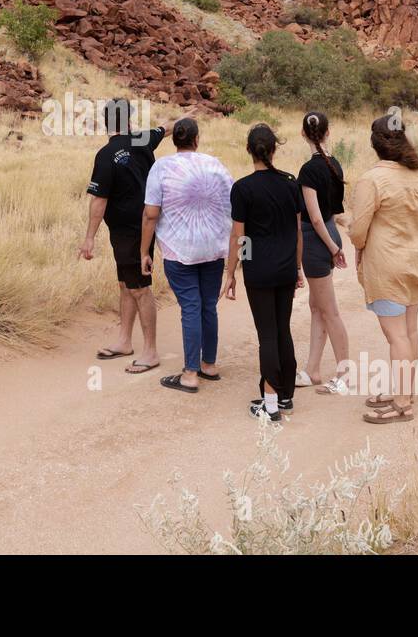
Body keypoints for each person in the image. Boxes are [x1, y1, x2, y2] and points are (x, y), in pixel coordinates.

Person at [348, 115, 418, 424]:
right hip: (416, 261)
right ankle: (406, 392)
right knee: (410, 331)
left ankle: (402, 403)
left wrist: (357, 248)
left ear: (375, 143)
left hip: (387, 265)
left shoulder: (372, 179)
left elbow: (358, 230)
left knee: (396, 337)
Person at [139, 118, 234, 394]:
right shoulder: (215, 164)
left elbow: (151, 213)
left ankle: (190, 373)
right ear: (196, 138)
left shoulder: (162, 167)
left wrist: (144, 250)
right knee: (208, 306)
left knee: (190, 307)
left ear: (174, 140)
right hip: (213, 246)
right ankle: (209, 364)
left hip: (179, 249)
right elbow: (233, 202)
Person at [223, 124, 304, 421]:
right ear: (274, 149)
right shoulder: (290, 183)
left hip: (258, 269)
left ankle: (269, 405)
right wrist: (298, 268)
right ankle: (285, 396)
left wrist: (232, 272)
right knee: (283, 329)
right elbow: (297, 233)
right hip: (284, 268)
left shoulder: (243, 188)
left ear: (249, 150)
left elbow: (240, 239)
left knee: (267, 334)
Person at [79, 99, 167, 374]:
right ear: (129, 119)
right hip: (138, 227)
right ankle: (124, 341)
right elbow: (167, 129)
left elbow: (99, 201)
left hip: (131, 231)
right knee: (125, 284)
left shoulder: (106, 154)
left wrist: (89, 238)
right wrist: (185, 120)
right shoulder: (143, 139)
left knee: (140, 287)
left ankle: (150, 352)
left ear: (107, 122)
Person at [294, 111, 352, 395]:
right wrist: (335, 243)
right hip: (328, 233)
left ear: (304, 135)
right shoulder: (335, 165)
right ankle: (312, 370)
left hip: (318, 239)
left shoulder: (308, 171)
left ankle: (344, 374)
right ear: (328, 133)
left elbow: (314, 218)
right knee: (317, 307)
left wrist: (333, 248)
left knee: (329, 310)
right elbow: (331, 213)